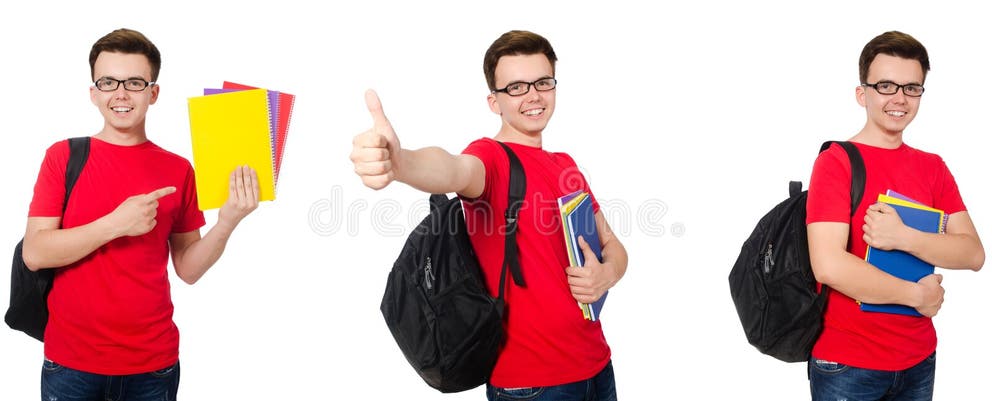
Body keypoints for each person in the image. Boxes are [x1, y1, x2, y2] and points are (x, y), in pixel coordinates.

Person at [351, 30, 628, 401]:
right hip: (531, 387)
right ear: (494, 102)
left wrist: (606, 273)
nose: (533, 95)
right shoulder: (491, 158)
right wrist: (401, 163)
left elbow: (612, 244)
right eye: (515, 87)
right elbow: (452, 169)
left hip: (598, 368)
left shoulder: (567, 166)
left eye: (542, 82)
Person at [21, 28, 259, 400]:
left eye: (134, 82)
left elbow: (188, 269)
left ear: (153, 93)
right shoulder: (62, 156)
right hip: (71, 364)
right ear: (93, 92)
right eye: (108, 82)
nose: (121, 93)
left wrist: (228, 221)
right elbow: (35, 253)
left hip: (154, 366)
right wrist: (116, 224)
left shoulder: (179, 169)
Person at [806, 31, 985, 401]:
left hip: (918, 359)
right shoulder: (836, 162)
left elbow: (973, 254)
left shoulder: (933, 167)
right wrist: (916, 296)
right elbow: (828, 266)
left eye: (912, 87)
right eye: (886, 85)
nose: (899, 99)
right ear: (862, 94)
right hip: (848, 365)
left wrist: (905, 237)